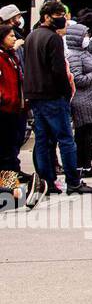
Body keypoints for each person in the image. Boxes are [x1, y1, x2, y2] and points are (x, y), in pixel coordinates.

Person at [23, 0, 92, 199]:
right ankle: (73, 181)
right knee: (66, 140)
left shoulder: (31, 36)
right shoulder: (53, 39)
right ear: (46, 17)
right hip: (53, 95)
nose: (63, 20)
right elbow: (58, 71)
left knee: (43, 141)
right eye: (59, 15)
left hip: (35, 95)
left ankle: (47, 182)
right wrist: (66, 93)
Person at [64, 19, 92, 179]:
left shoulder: (84, 52)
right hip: (81, 100)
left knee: (88, 134)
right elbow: (78, 79)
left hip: (90, 98)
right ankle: (83, 166)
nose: (87, 37)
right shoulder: (74, 56)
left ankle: (85, 165)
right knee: (83, 136)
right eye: (84, 34)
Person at [0, 25, 28, 195]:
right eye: (10, 35)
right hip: (4, 110)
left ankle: (11, 189)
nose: (13, 38)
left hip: (15, 109)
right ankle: (8, 191)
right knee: (5, 153)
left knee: (10, 151)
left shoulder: (11, 57)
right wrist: (5, 99)